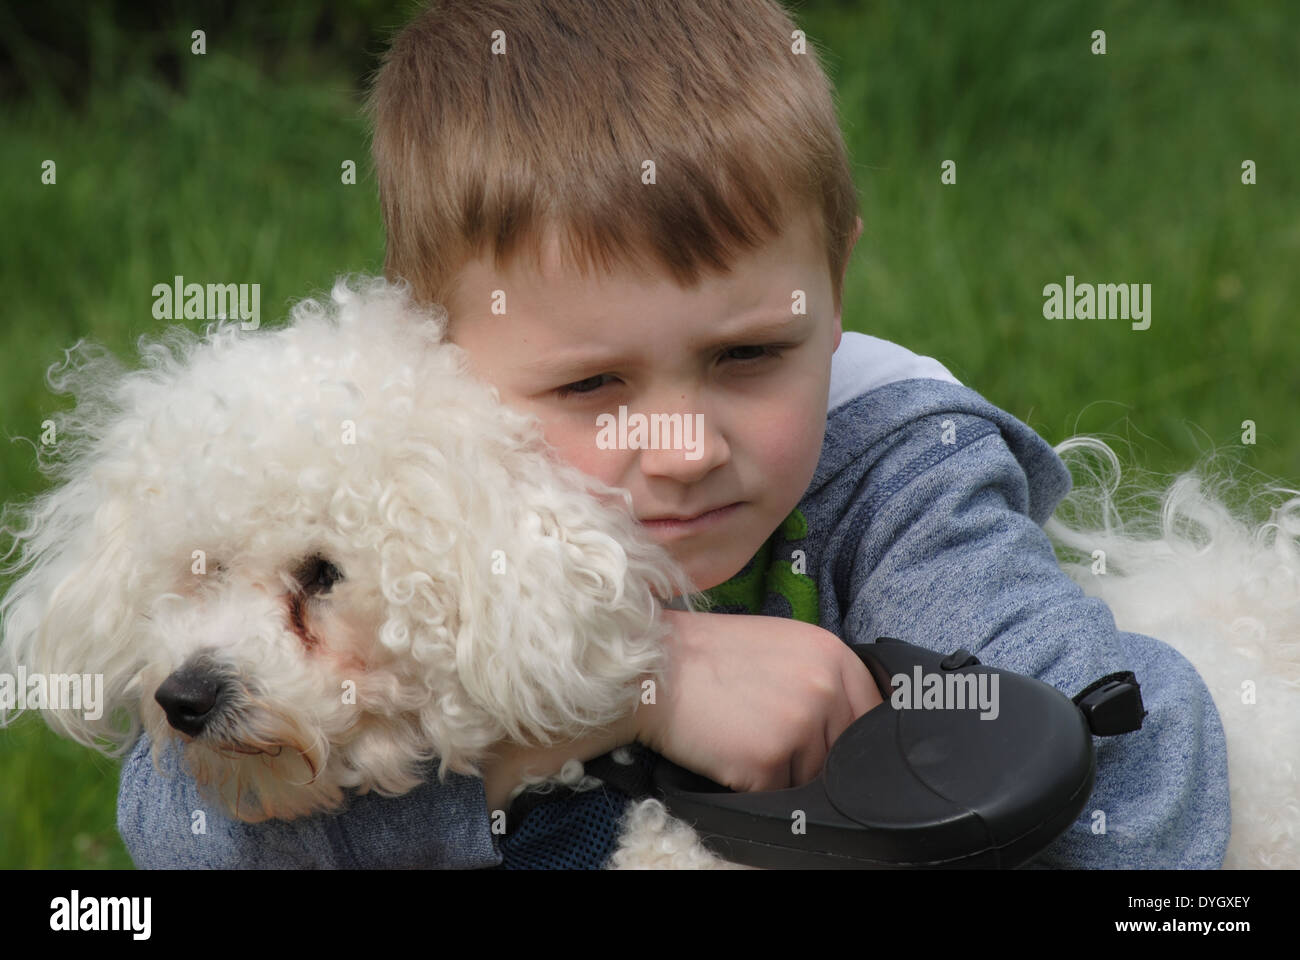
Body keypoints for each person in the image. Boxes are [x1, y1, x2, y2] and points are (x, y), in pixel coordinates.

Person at [118, 0, 1229, 869]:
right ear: (432, 349)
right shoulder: (391, 507)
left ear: (834, 283)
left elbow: (1145, 785)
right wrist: (622, 690)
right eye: (593, 383)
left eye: (747, 357)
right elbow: (181, 838)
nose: (686, 446)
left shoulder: (892, 487)